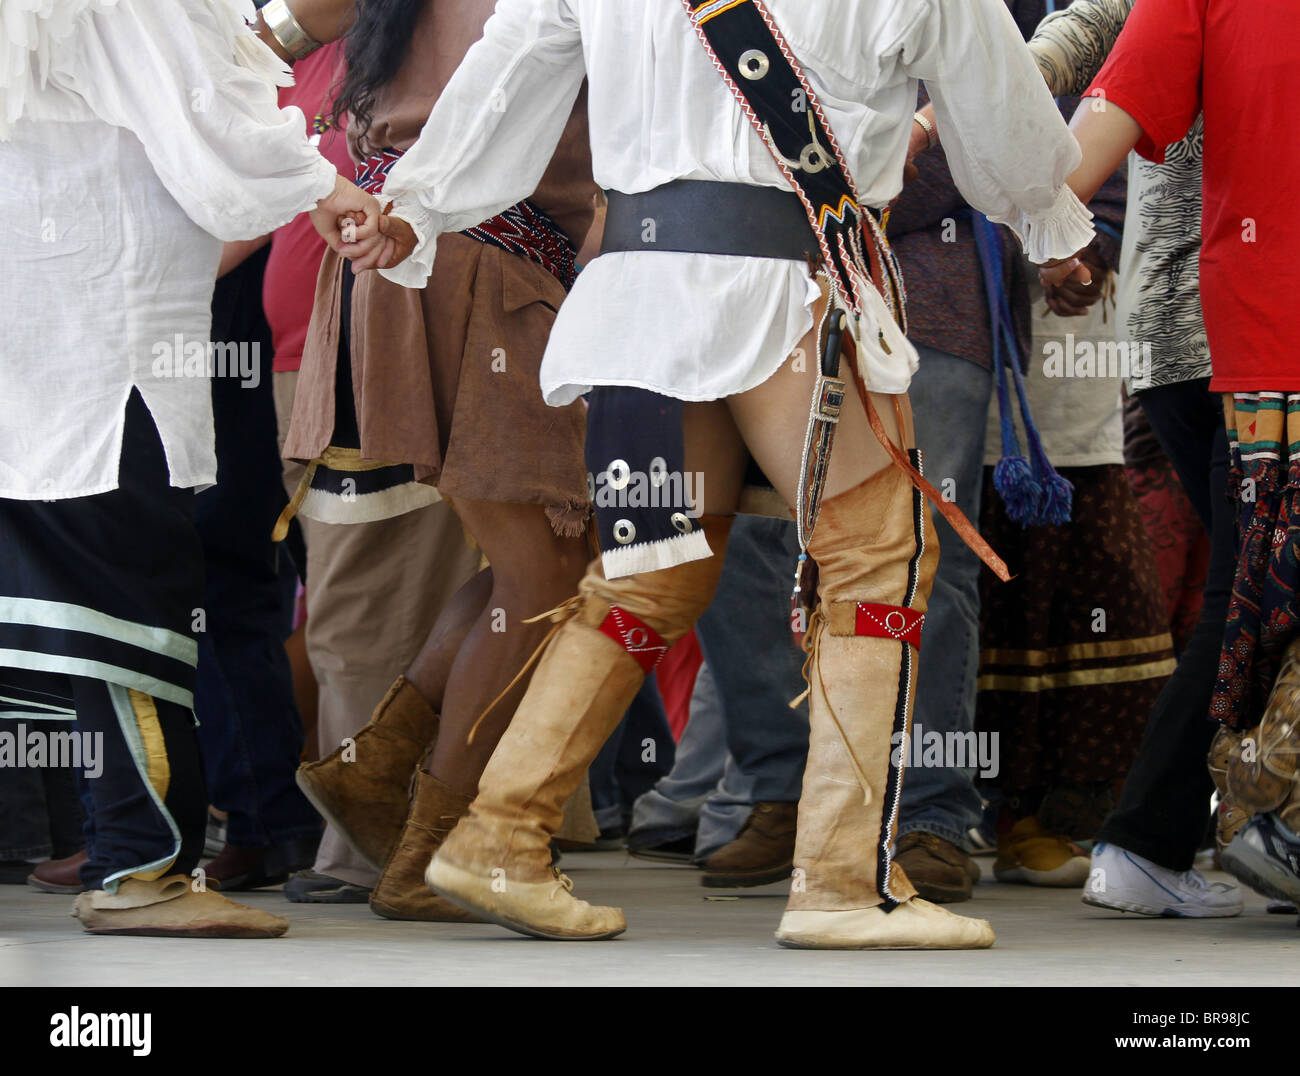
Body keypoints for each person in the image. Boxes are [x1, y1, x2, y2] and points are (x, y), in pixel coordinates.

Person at [354, 0, 1097, 948]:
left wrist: (418, 204)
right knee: (874, 566)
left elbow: (507, 74)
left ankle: (500, 839)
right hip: (791, 286)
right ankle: (839, 884)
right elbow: (1006, 117)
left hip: (633, 296)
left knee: (647, 575)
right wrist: (1051, 220)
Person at [0, 0, 380, 937]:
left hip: (43, 324)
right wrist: (321, 186)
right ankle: (141, 867)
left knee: (60, 602)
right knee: (124, 600)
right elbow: (200, 105)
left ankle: (135, 856)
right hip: (97, 338)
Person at [257, 0, 600, 921]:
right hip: (474, 264)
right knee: (543, 570)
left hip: (411, 263)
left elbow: (278, 37)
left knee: (533, 564)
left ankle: (376, 777)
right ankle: (429, 852)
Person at [1040, 0, 1300, 907]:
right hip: (1233, 335)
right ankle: (1172, 835)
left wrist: (1048, 220)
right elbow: (1074, 51)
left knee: (1244, 593)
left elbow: (1072, 60)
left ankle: (1191, 834)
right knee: (1246, 595)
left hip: (1195, 334)